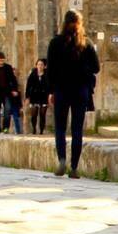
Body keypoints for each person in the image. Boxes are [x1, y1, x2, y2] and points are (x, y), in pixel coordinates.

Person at [45, 10, 100, 178]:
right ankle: (74, 167)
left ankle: (62, 159)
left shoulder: (55, 43)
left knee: (60, 128)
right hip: (80, 91)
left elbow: (50, 71)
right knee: (77, 130)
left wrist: (50, 91)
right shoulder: (87, 44)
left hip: (61, 90)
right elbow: (96, 68)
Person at [25, 58, 51, 135]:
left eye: (41, 65)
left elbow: (50, 86)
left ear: (44, 66)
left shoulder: (47, 75)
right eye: (38, 64)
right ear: (36, 65)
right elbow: (28, 86)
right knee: (34, 114)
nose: (40, 66)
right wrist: (27, 97)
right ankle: (34, 128)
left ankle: (41, 130)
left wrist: (50, 95)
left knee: (42, 114)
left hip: (44, 97)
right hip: (34, 96)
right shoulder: (32, 74)